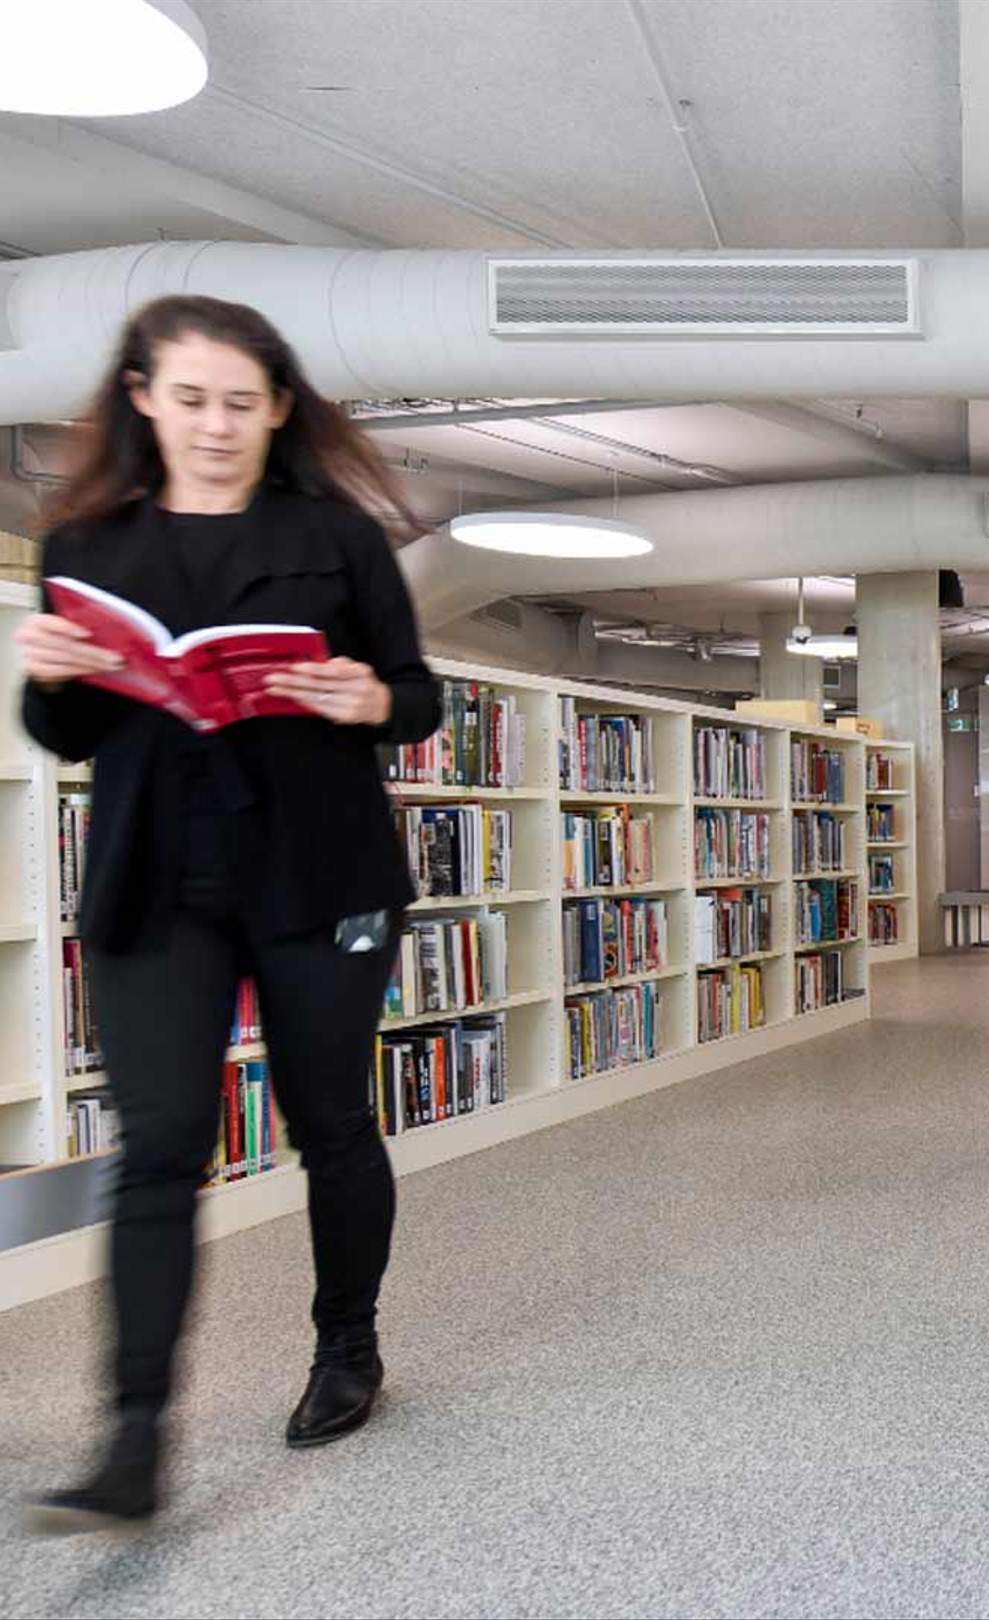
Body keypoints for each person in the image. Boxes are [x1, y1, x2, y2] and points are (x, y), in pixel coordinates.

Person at [17, 296, 443, 1531]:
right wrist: (49, 681)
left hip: (321, 874)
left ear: (279, 409)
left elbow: (415, 696)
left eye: (242, 403)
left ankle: (348, 1346)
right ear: (142, 398)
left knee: (331, 1121)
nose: (216, 425)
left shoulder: (338, 537)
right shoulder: (84, 544)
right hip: (158, 880)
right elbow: (66, 733)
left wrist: (372, 701)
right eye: (192, 399)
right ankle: (133, 1436)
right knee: (157, 1148)